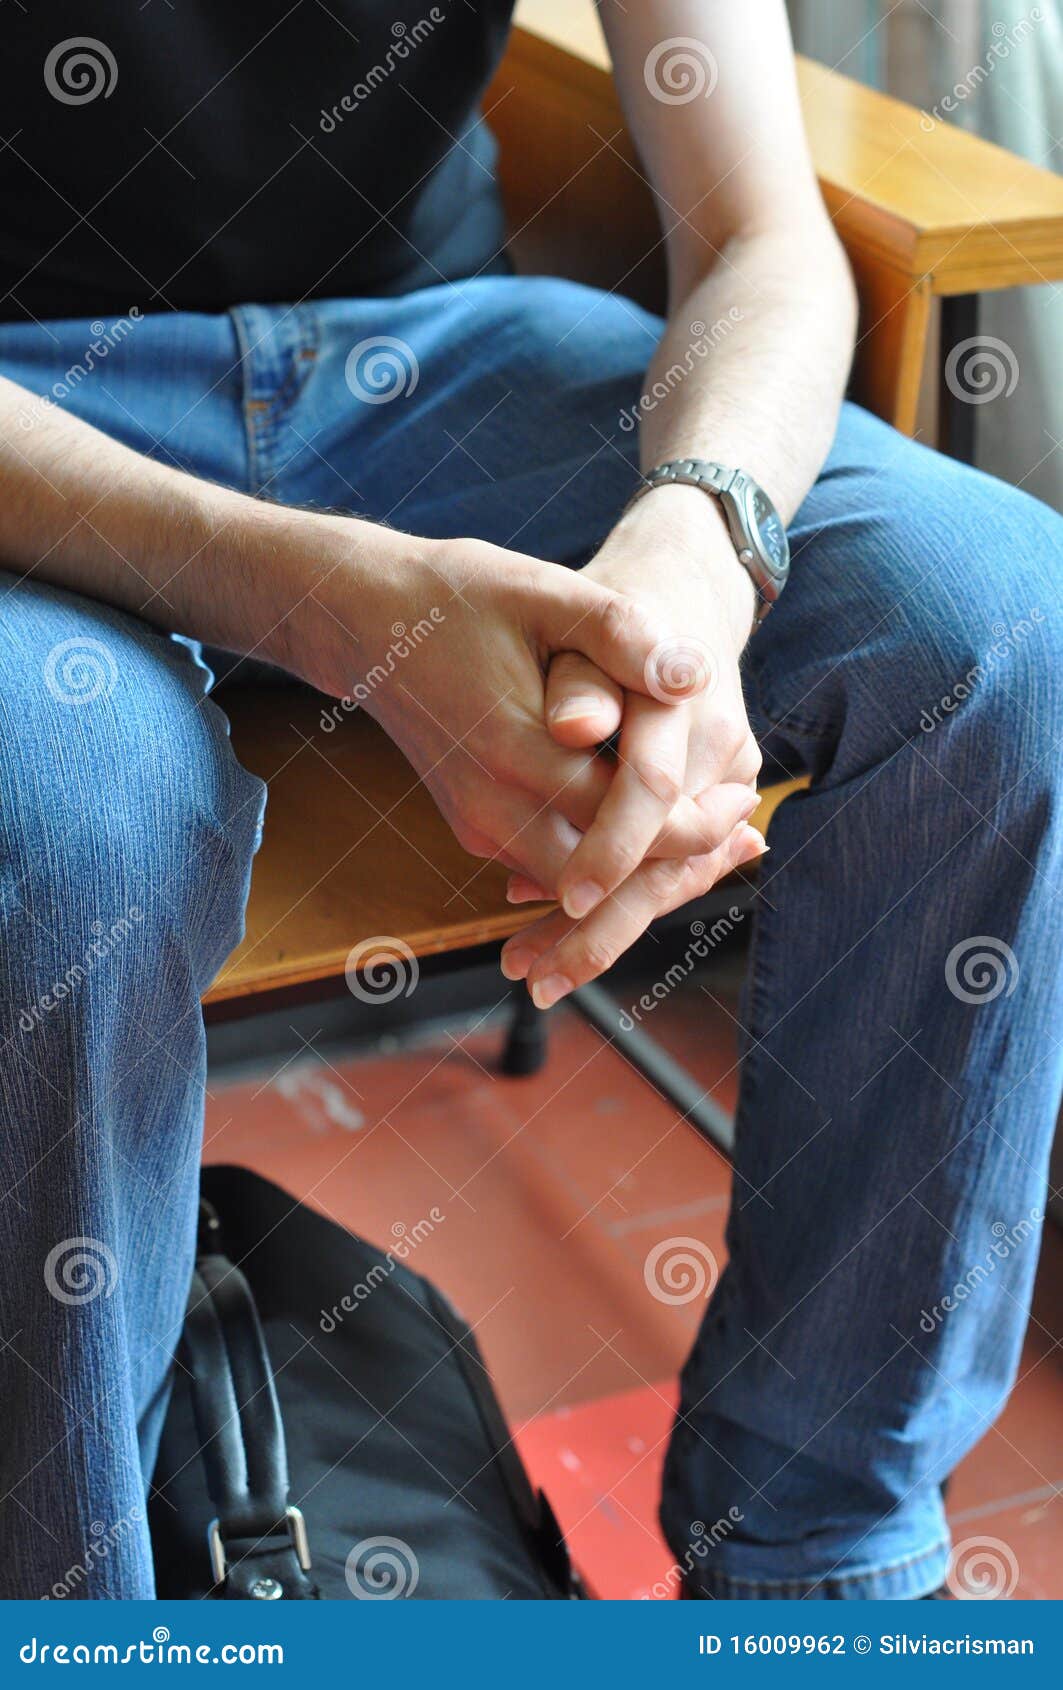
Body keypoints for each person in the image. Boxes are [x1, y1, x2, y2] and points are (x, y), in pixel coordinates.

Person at [0, 1, 1059, 1601]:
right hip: (37, 419)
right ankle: (72, 1610)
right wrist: (334, 605)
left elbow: (764, 230)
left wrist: (700, 544)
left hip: (427, 363)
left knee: (1004, 622)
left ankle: (816, 1566)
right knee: (76, 819)